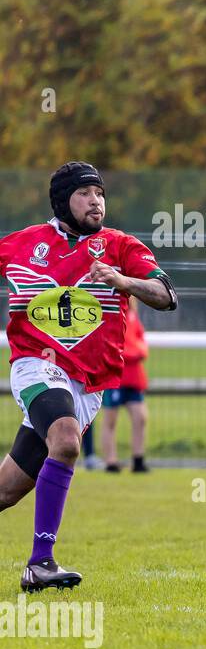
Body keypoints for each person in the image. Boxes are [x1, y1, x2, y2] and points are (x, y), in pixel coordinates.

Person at [0, 161, 178, 591]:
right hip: (37, 365)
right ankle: (41, 563)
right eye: (85, 193)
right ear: (63, 201)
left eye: (99, 192)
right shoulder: (21, 244)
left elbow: (167, 295)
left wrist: (123, 280)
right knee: (65, 441)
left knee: (5, 491)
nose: (96, 200)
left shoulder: (120, 247)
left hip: (88, 384)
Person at [100, 295, 151, 473]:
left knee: (140, 417)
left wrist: (138, 351)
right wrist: (133, 352)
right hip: (115, 376)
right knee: (110, 420)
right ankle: (111, 461)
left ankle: (138, 459)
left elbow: (141, 343)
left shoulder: (133, 317)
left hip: (133, 377)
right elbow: (115, 346)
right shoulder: (108, 315)